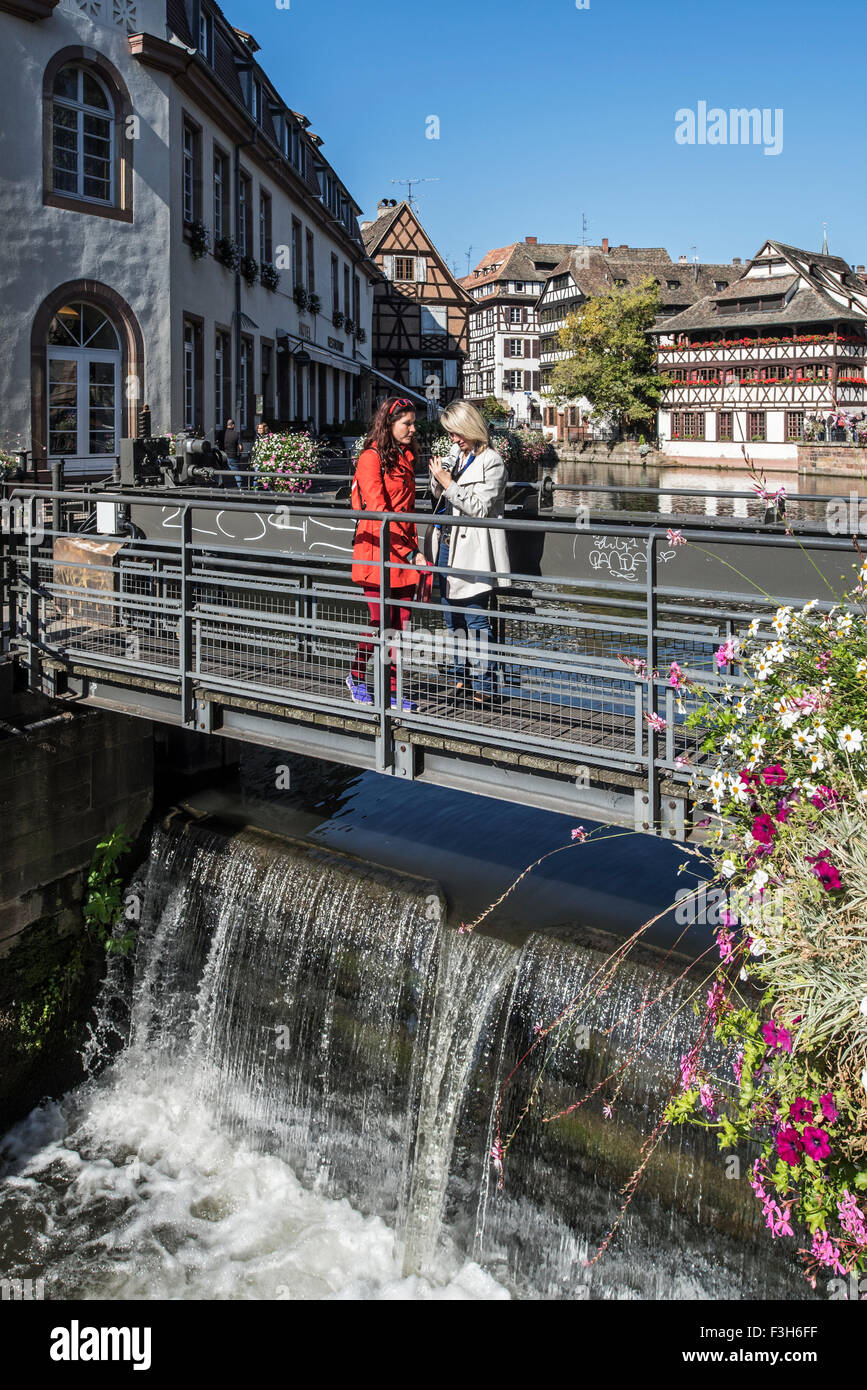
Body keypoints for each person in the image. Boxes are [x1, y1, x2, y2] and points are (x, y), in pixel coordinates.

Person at [427, 400, 510, 706]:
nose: (453, 439)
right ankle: (460, 679)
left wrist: (448, 484)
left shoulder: (492, 462)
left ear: (471, 427)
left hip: (473, 551)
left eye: (457, 433)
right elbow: (443, 499)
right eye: (450, 434)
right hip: (446, 546)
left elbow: (480, 509)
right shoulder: (457, 457)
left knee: (476, 621)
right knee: (452, 620)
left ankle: (484, 686)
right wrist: (438, 481)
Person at [347, 397, 427, 711]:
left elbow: (405, 510)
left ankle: (392, 692)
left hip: (404, 550)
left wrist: (413, 550)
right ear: (389, 424)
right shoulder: (371, 457)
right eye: (406, 423)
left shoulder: (405, 455)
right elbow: (379, 511)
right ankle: (356, 675)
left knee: (401, 624)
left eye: (413, 422)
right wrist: (410, 553)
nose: (412, 428)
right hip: (378, 550)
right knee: (381, 621)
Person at [223, 418, 244, 489]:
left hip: (222, 455)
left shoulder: (222, 433)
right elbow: (240, 447)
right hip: (233, 455)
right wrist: (239, 454)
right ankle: (240, 489)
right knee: (236, 473)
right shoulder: (236, 434)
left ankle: (220, 486)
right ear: (233, 425)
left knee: (219, 472)